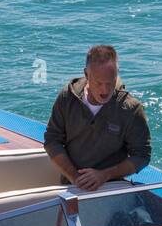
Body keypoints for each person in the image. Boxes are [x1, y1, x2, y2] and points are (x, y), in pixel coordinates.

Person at [43, 44, 152, 192]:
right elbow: (52, 141)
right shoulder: (67, 97)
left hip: (111, 189)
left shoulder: (131, 109)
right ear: (86, 75)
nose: (105, 90)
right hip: (71, 186)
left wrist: (105, 175)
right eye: (98, 83)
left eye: (110, 82)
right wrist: (75, 178)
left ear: (117, 74)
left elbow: (142, 156)